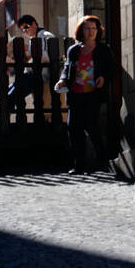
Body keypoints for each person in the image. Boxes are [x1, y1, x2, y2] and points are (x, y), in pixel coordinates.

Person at [54, 14, 115, 175]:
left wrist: (103, 77)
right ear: (81, 30)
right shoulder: (74, 50)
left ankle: (103, 162)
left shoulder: (103, 49)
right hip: (75, 95)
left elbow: (111, 70)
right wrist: (62, 81)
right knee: (73, 129)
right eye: (88, 28)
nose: (91, 31)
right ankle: (79, 165)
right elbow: (67, 69)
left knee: (92, 127)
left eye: (94, 28)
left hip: (93, 95)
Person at [0, 14, 59, 115]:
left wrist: (28, 55)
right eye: (23, 30)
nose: (25, 31)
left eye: (26, 27)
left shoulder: (45, 35)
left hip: (38, 76)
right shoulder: (34, 39)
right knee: (6, 93)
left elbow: (46, 56)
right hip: (31, 75)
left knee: (11, 95)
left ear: (34, 24)